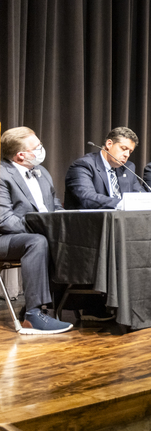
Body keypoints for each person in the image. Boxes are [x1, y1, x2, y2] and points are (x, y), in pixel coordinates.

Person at [0, 127, 74, 334]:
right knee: (38, 241)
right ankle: (33, 315)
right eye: (37, 147)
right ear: (21, 155)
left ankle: (74, 304)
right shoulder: (2, 174)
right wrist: (45, 228)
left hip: (38, 234)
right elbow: (5, 220)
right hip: (6, 238)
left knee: (69, 240)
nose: (42, 149)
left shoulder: (42, 174)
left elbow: (56, 208)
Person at [65, 126, 143, 209]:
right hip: (91, 220)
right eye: (123, 148)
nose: (127, 154)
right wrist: (123, 204)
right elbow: (87, 197)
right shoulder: (84, 165)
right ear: (109, 144)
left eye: (130, 151)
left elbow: (140, 195)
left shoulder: (128, 168)